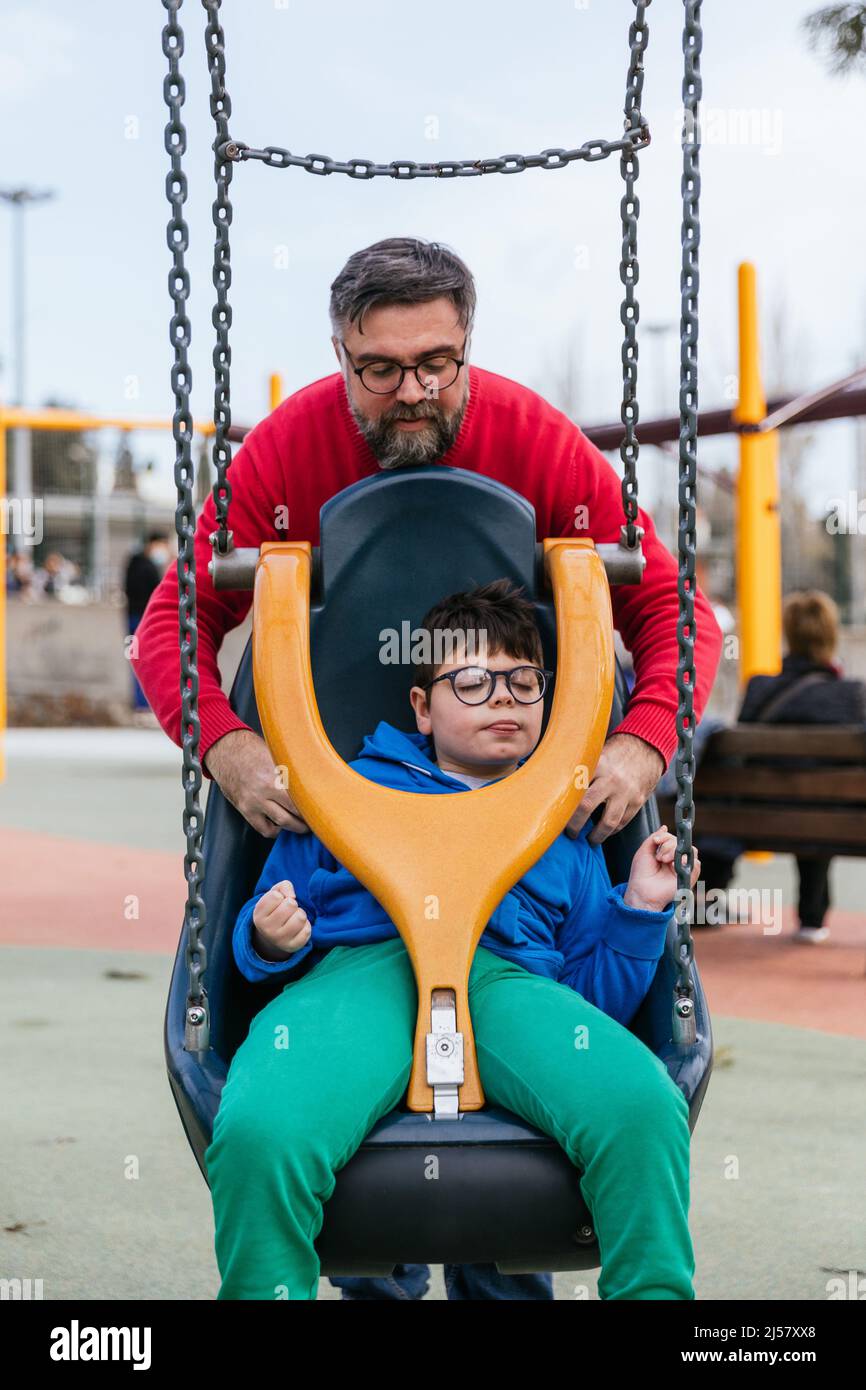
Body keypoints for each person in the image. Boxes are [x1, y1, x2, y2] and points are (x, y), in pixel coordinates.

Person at [134, 236, 724, 1298]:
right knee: (266, 1123)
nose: (412, 392)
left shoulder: (533, 442)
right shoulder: (284, 455)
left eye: (437, 362)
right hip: (361, 959)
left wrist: (638, 742)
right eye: (380, 369)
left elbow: (668, 609)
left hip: (504, 965)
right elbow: (174, 623)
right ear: (339, 353)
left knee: (632, 1104)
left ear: (467, 347)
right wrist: (227, 744)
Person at [204, 579, 701, 1301]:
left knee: (645, 1108)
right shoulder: (345, 791)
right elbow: (262, 939)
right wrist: (268, 936)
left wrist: (640, 910)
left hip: (509, 985)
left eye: (524, 682)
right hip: (360, 975)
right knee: (259, 1128)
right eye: (471, 681)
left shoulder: (564, 822)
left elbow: (595, 999)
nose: (502, 698)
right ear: (422, 706)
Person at [687, 590, 866, 941]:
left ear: (789, 635)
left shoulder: (760, 687)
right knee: (821, 800)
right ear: (831, 635)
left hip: (757, 817)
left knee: (786, 799)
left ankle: (705, 901)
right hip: (836, 822)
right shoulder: (852, 694)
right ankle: (812, 917)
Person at [124, 532, 170, 714]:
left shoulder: (134, 563)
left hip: (134, 616)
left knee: (137, 657)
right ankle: (143, 705)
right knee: (143, 659)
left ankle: (142, 704)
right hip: (143, 618)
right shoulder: (146, 566)